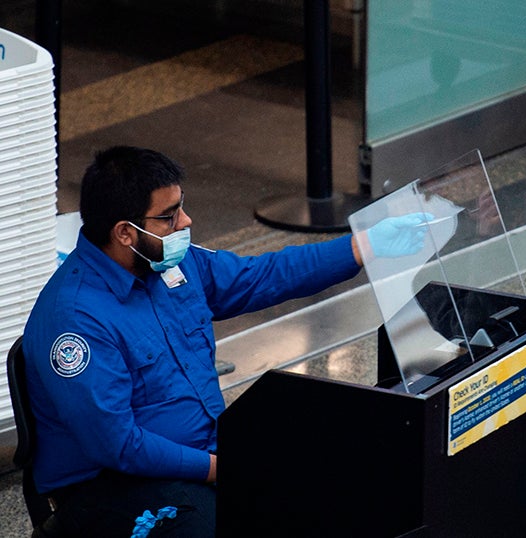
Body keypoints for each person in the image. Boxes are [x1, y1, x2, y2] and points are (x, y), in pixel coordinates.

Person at [21, 146, 430, 537]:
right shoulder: (74, 320)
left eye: (181, 206)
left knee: (343, 474)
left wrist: (362, 247)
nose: (186, 222)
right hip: (110, 486)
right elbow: (118, 445)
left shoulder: (171, 262)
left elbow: (262, 276)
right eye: (169, 216)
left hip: (209, 451)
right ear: (125, 233)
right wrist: (221, 469)